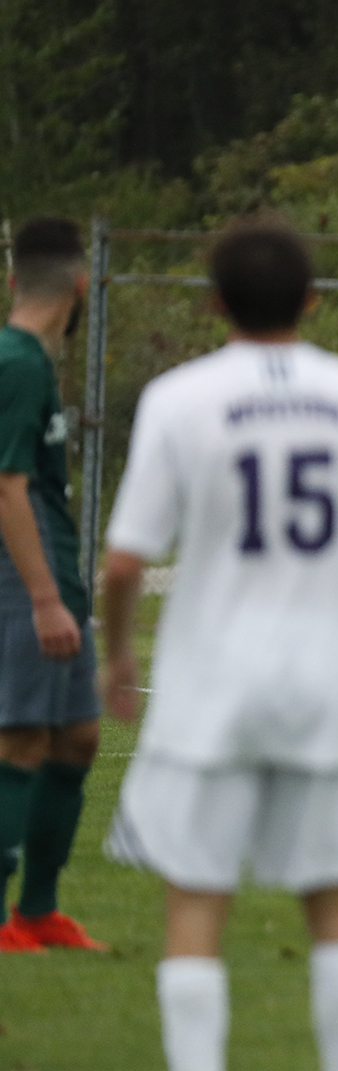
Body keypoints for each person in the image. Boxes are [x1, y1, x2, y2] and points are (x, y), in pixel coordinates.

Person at [97, 219, 338, 1071]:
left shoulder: (178, 397)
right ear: (313, 300)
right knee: (336, 912)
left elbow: (125, 562)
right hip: (326, 690)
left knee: (197, 911)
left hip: (208, 694)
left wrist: (119, 653)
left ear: (212, 305)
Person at [0, 217, 105, 953]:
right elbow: (7, 489)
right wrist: (40, 598)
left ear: (13, 280)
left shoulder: (34, 361)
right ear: (82, 285)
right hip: (22, 582)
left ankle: (39, 912)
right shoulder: (18, 364)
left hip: (55, 577)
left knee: (76, 736)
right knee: (23, 737)